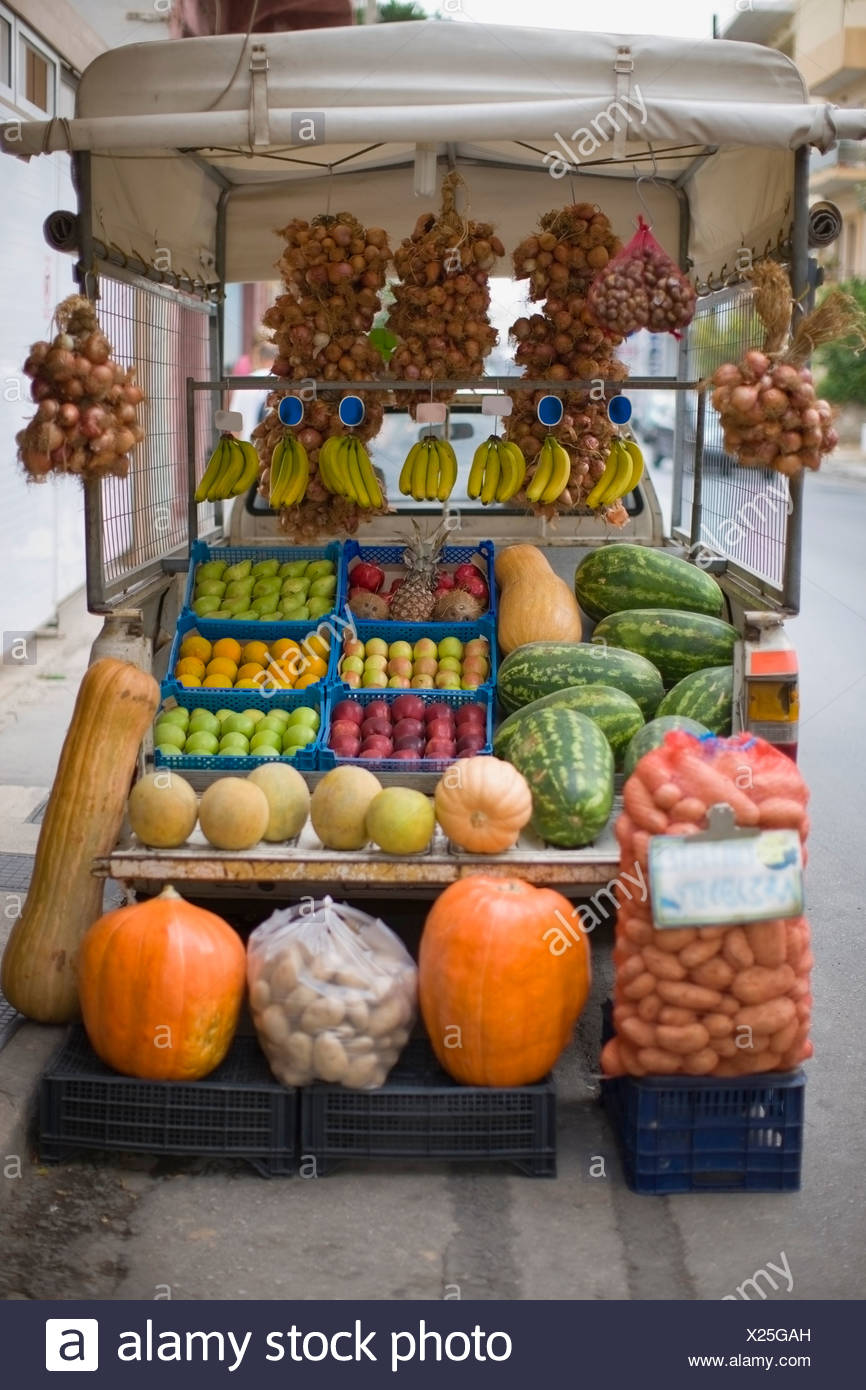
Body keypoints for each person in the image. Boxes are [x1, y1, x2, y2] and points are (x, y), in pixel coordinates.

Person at [229, 335, 277, 440]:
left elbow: (233, 427)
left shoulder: (245, 383)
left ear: (259, 358)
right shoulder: (284, 382)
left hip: (249, 451)